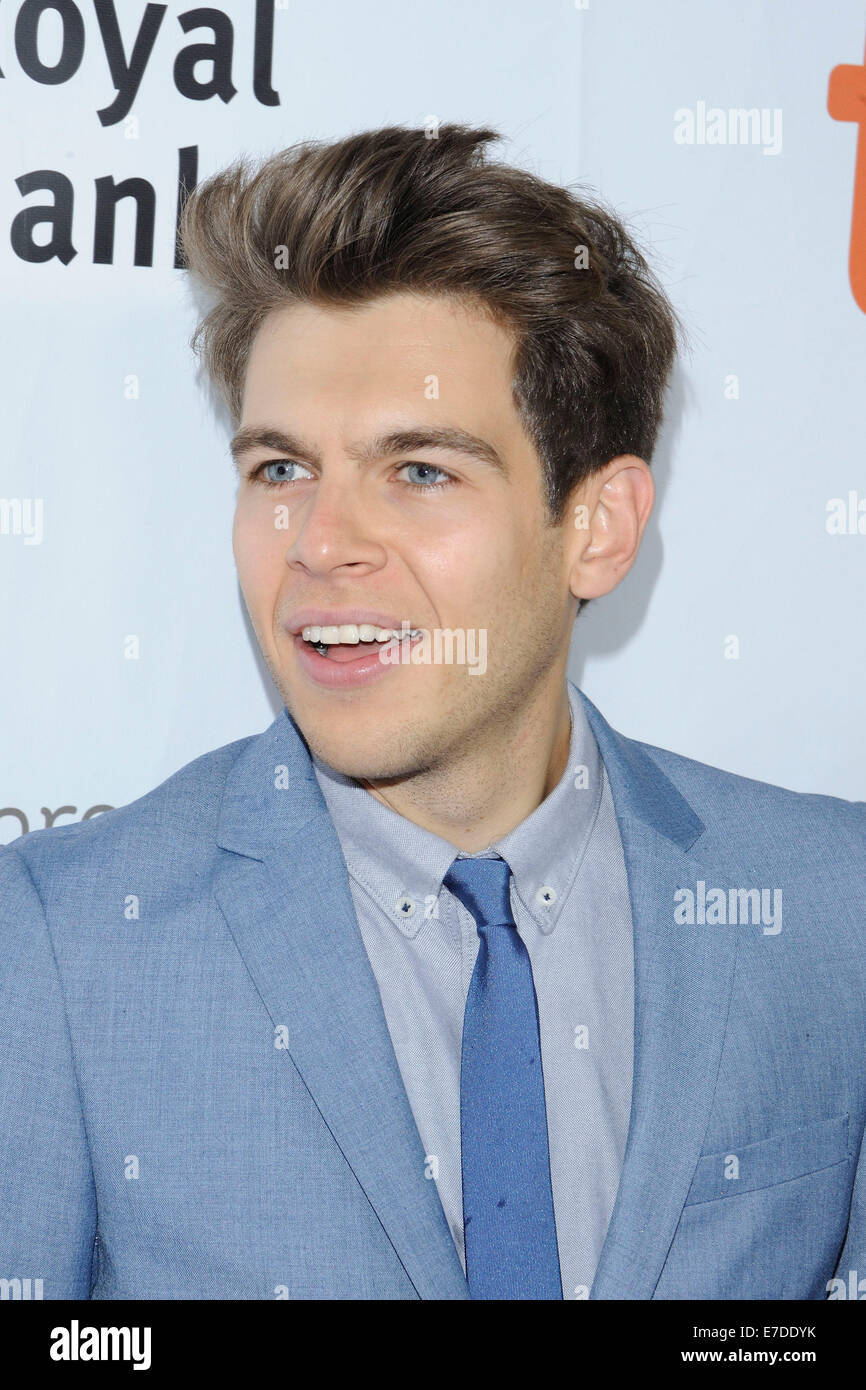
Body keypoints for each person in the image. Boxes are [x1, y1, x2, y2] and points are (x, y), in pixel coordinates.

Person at [1, 124, 863, 1301]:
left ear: (597, 528)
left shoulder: (825, 904)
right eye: (279, 469)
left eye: (417, 471)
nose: (320, 544)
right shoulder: (61, 942)